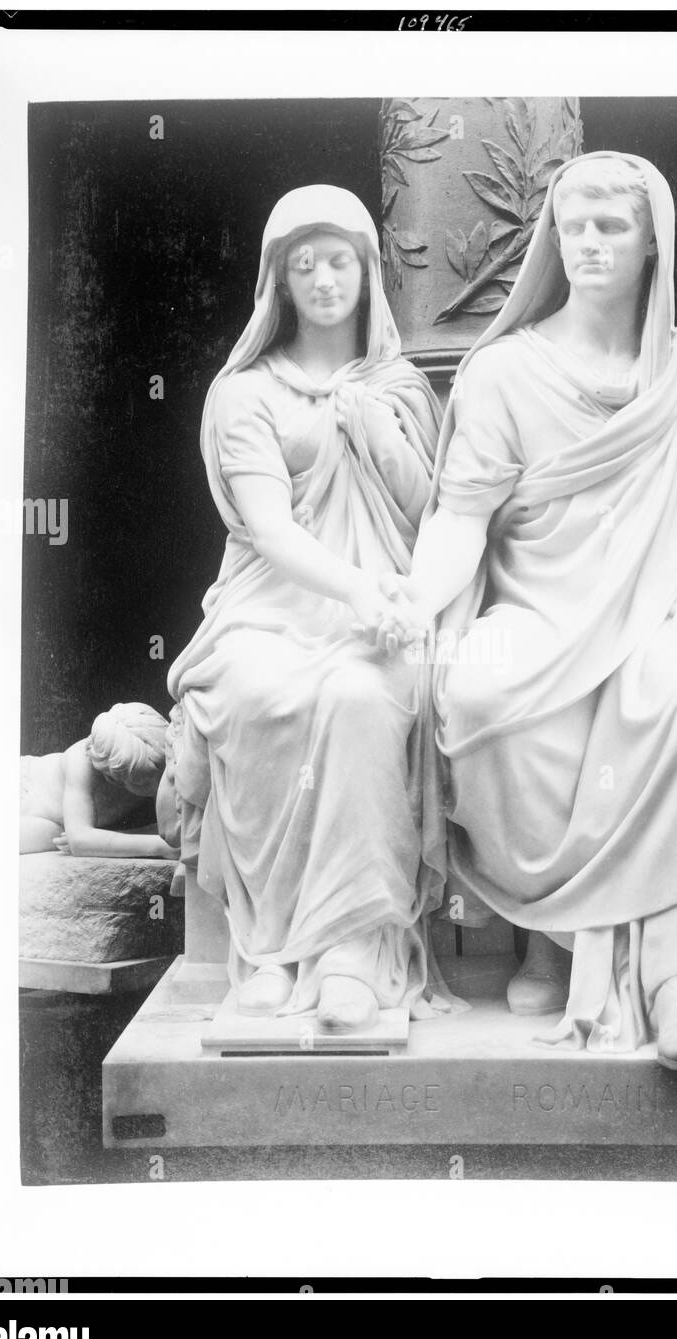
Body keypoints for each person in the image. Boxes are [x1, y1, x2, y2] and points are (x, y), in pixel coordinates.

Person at [371, 152, 677, 1070]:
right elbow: (462, 517)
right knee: (483, 698)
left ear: (652, 243)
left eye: (609, 227)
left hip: (663, 612)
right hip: (538, 610)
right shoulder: (502, 375)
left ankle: (675, 977)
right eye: (571, 227)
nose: (587, 244)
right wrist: (417, 599)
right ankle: (553, 937)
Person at [167, 185, 460, 1032]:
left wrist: (378, 435)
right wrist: (356, 592)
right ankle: (268, 950)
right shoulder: (246, 393)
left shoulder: (399, 387)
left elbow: (428, 513)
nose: (324, 279)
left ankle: (354, 951)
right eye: (305, 265)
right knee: (258, 697)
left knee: (360, 699)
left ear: (368, 274)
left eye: (340, 262)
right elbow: (267, 530)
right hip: (272, 608)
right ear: (279, 282)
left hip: (390, 609)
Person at [20, 702, 176, 859]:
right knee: (50, 835)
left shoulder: (156, 756)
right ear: (111, 776)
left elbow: (168, 827)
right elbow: (80, 842)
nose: (158, 784)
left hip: (61, 823)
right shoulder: (80, 761)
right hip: (24, 796)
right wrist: (161, 847)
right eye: (143, 782)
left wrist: (100, 839)